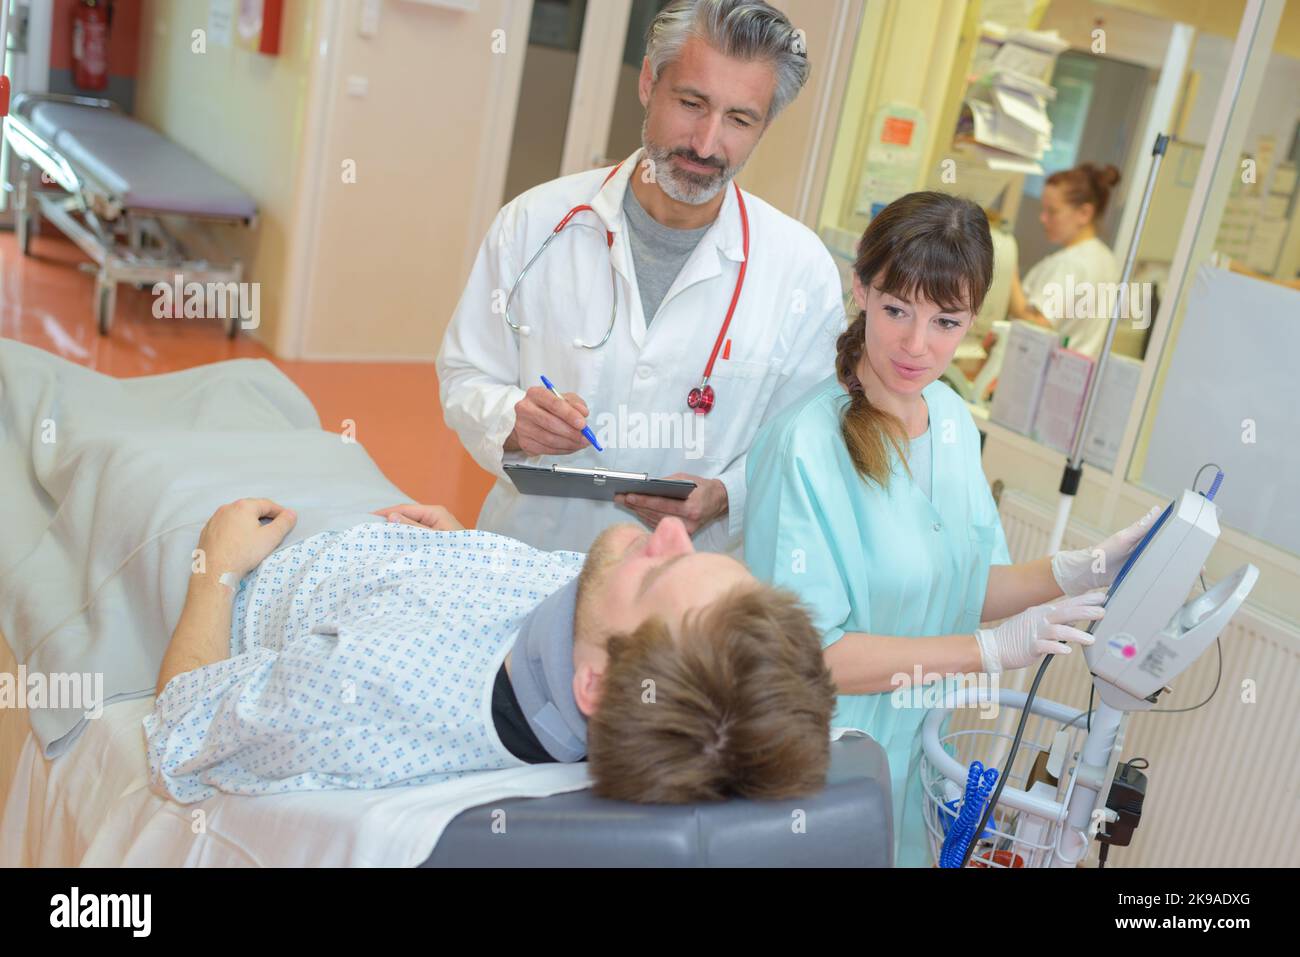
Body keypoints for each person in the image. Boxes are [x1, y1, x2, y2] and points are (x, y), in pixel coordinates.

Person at [743, 191, 1160, 866]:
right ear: (861, 286)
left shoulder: (953, 420)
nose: (916, 344)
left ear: (974, 318)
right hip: (814, 773)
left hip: (918, 761)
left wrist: (1079, 568)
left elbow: (969, 584)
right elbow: (814, 655)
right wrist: (988, 652)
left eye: (946, 320)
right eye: (896, 309)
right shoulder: (803, 447)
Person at [436, 0, 843, 556]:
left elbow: (807, 442)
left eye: (739, 119)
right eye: (691, 103)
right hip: (526, 557)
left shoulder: (801, 271)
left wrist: (728, 495)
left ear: (765, 125)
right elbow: (466, 375)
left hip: (681, 591)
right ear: (650, 82)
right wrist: (512, 420)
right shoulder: (533, 222)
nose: (705, 143)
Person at [146, 498, 835, 805]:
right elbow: (557, 592)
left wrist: (216, 568)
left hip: (235, 557)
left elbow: (179, 728)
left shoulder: (361, 689)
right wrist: (460, 556)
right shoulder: (594, 629)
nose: (672, 533)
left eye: (659, 569)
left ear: (595, 686)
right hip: (366, 530)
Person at [1007, 162, 1122, 358]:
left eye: (1052, 211)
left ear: (1084, 213)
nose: (1043, 218)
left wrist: (1006, 268)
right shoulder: (1107, 259)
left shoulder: (1071, 263)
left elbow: (1037, 325)